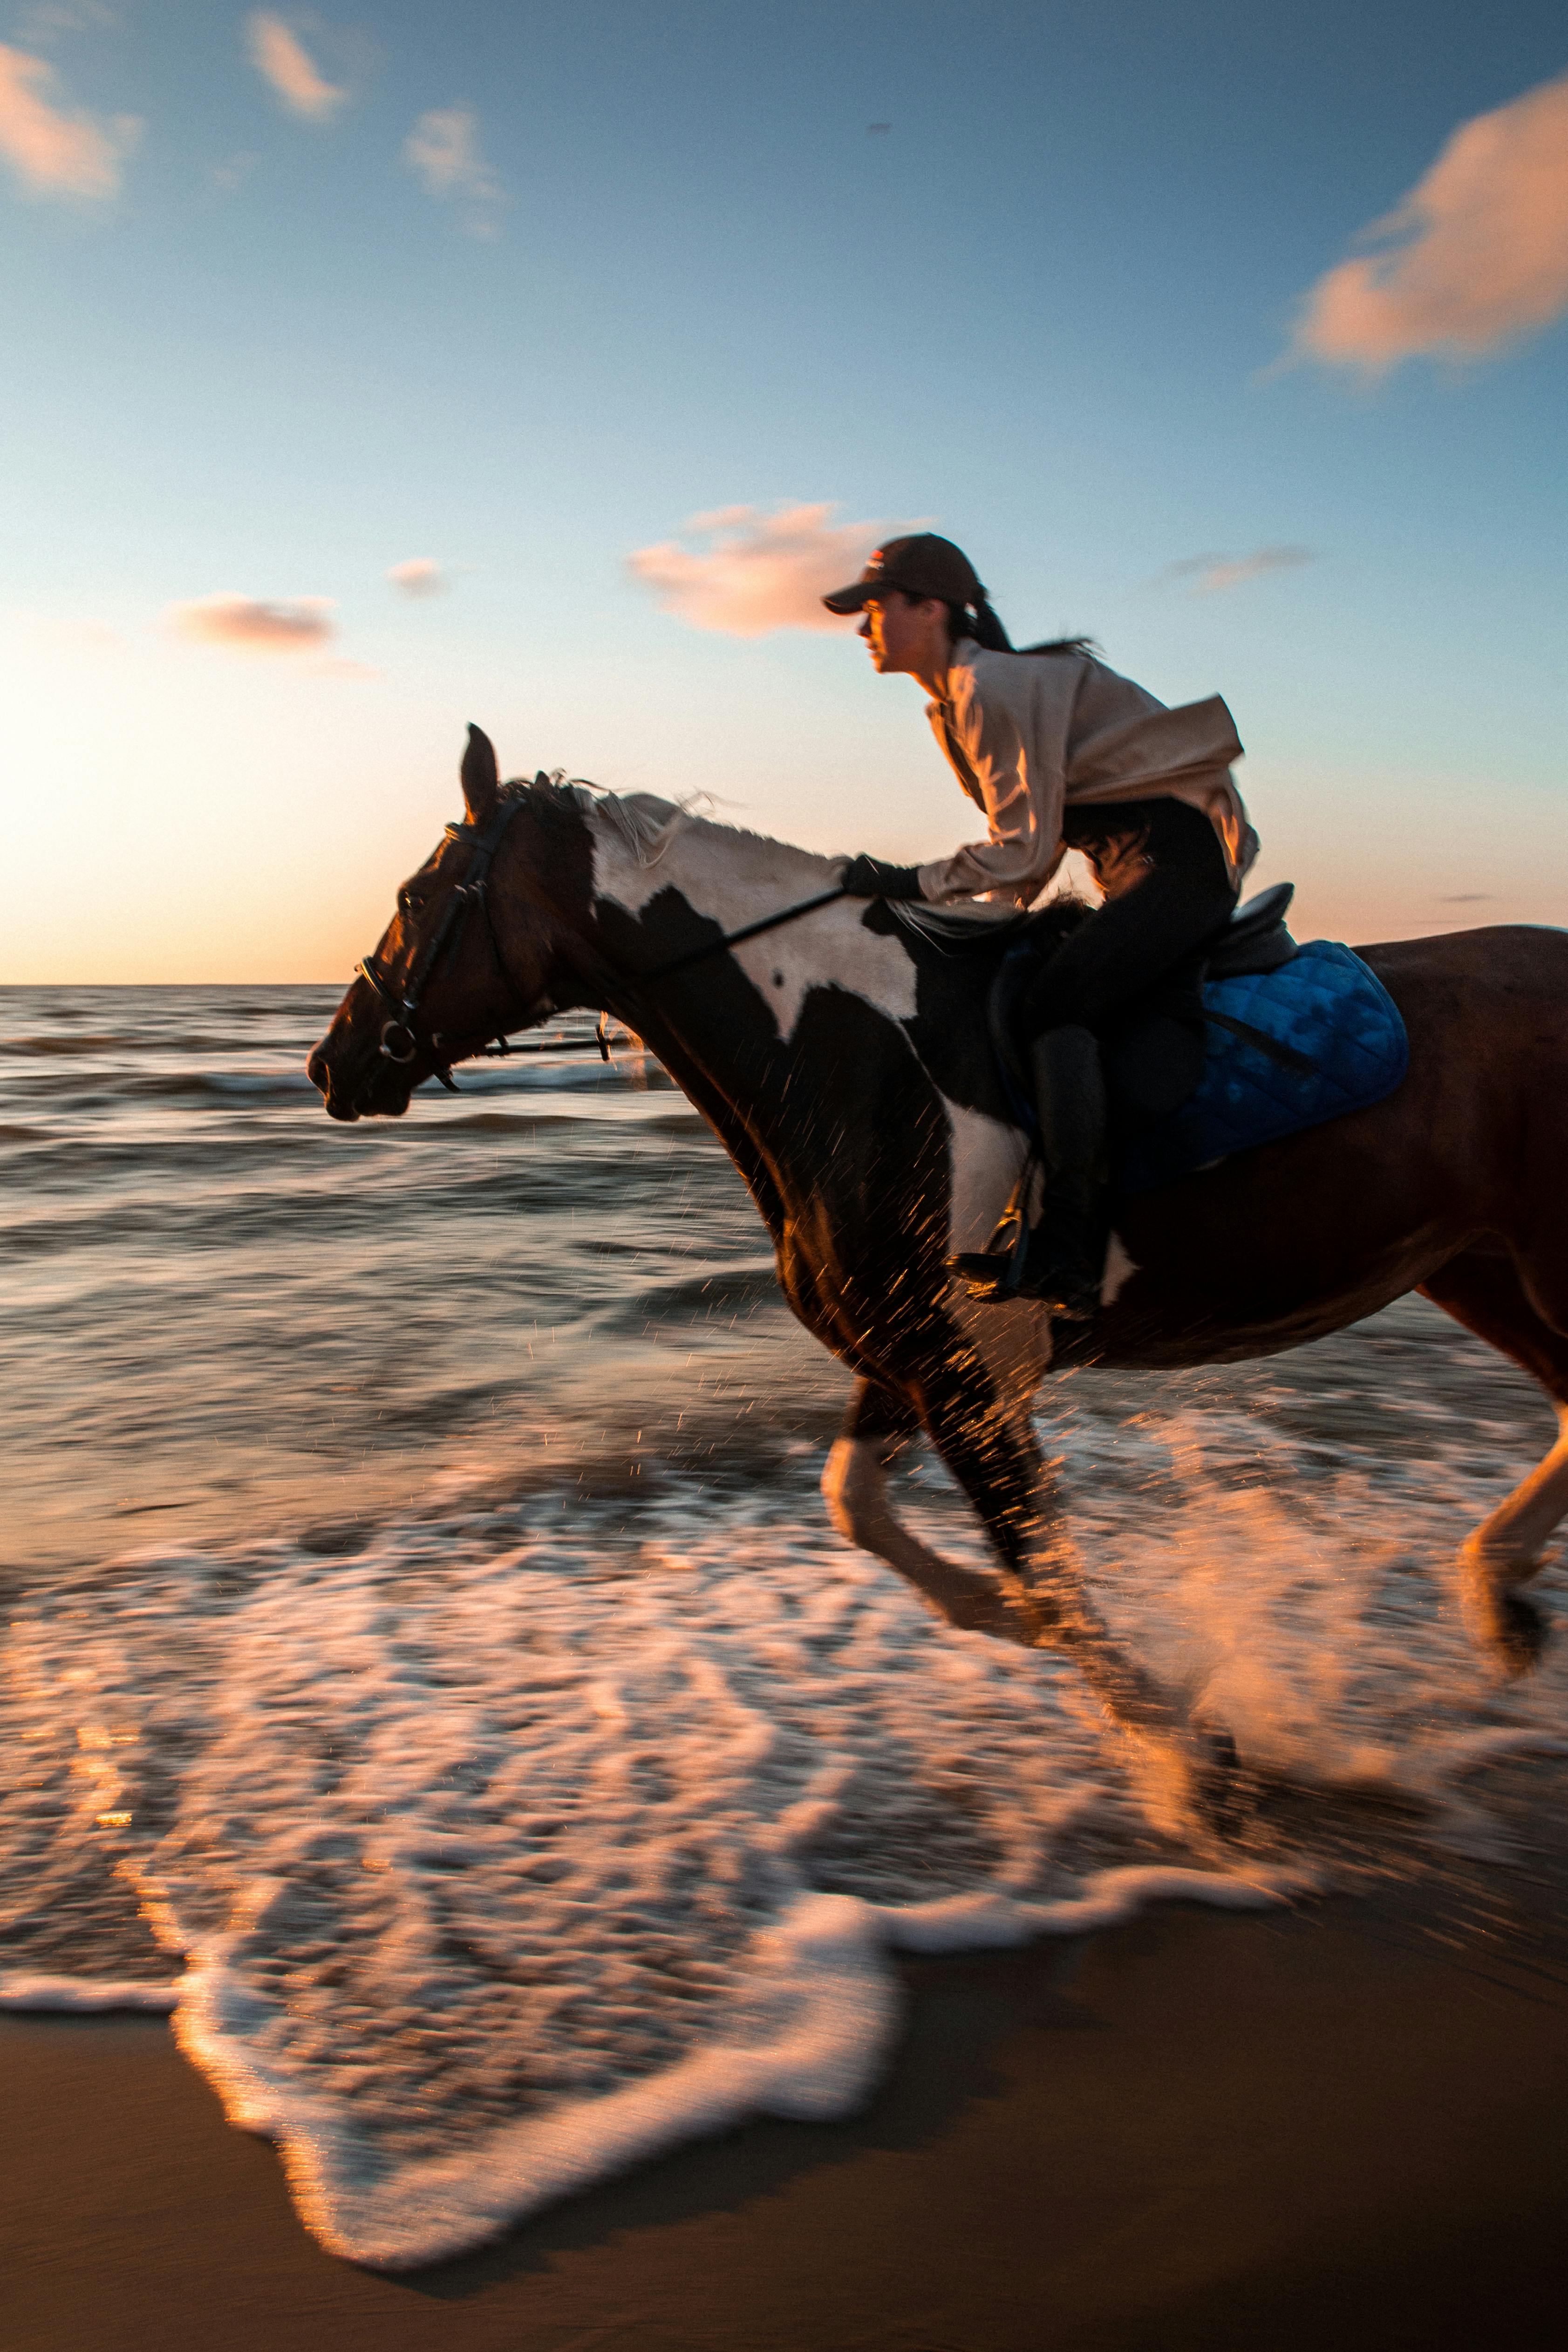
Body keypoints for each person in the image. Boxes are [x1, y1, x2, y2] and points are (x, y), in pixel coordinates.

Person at [822, 533, 1257, 1320]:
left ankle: (1070, 1251)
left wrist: (903, 882)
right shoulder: (953, 702)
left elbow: (1020, 852)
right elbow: (1025, 864)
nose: (862, 629)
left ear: (932, 609)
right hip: (1127, 870)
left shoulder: (989, 684)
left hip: (1175, 869)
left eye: (874, 609)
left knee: (1051, 1005)